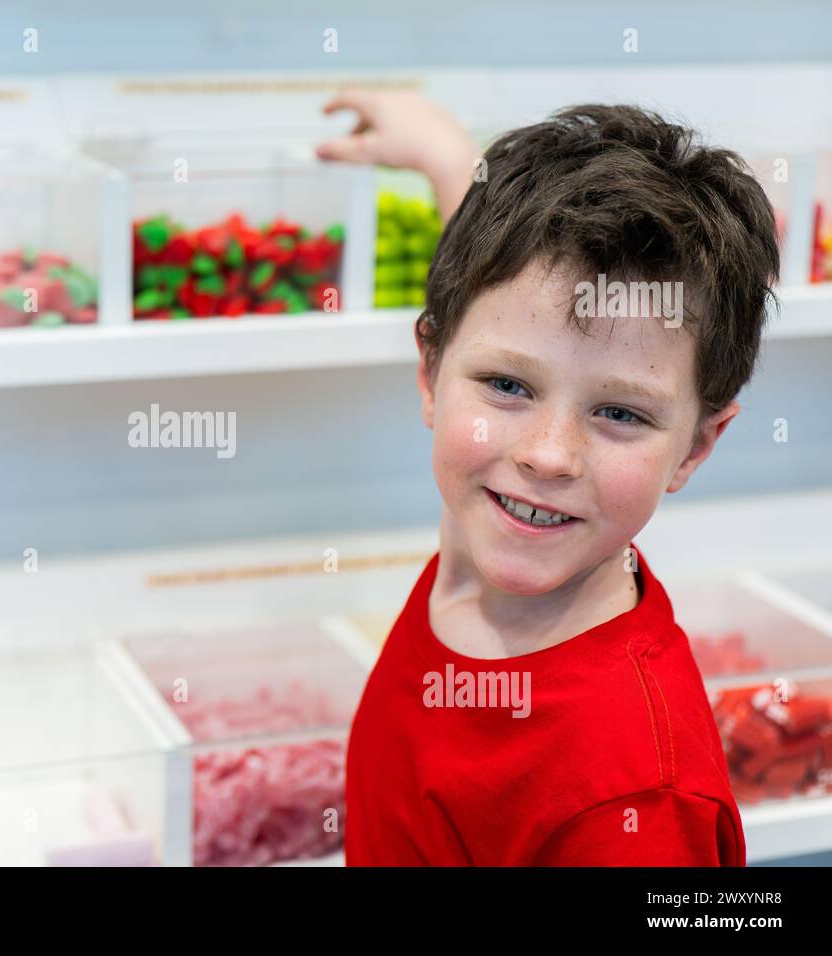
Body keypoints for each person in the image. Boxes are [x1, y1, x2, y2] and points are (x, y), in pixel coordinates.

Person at [321, 92, 778, 865]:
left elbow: (507, 328)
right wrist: (445, 153)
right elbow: (496, 291)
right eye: (507, 387)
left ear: (697, 448)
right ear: (432, 371)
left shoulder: (635, 808)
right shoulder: (490, 540)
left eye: (621, 415)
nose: (548, 454)